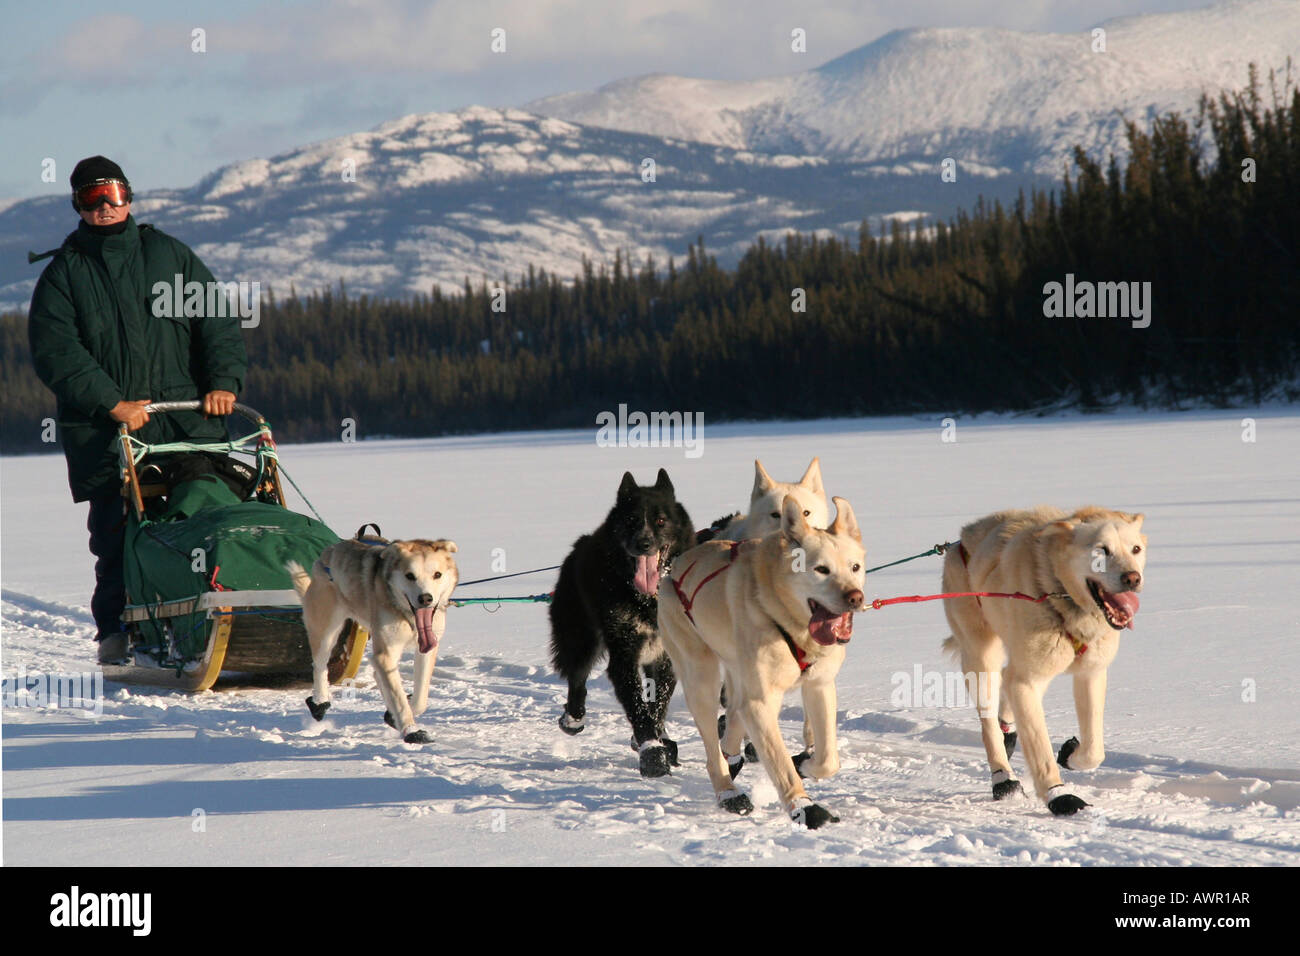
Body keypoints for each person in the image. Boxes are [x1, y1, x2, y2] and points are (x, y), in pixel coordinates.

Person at [27, 156, 248, 664]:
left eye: (111, 195)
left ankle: (228, 607)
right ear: (77, 206)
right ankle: (116, 631)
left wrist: (223, 383)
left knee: (208, 511)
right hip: (107, 433)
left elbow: (215, 322)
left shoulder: (169, 256)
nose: (104, 207)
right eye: (91, 198)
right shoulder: (66, 273)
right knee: (118, 534)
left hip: (188, 423)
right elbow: (56, 352)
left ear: (129, 196)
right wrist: (113, 403)